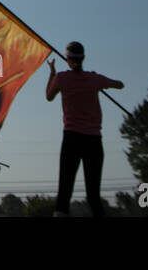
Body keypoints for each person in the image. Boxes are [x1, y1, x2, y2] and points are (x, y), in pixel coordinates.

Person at [45, 41, 123, 217]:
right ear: (84, 58)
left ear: (67, 59)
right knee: (93, 195)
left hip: (71, 138)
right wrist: (103, 83)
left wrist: (52, 74)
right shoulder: (94, 79)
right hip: (94, 141)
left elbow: (49, 96)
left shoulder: (61, 78)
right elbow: (120, 84)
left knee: (64, 190)